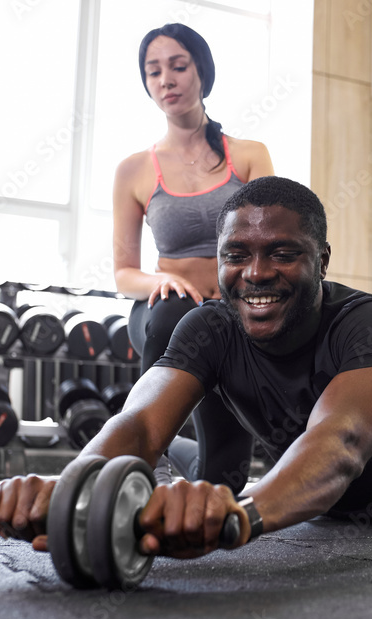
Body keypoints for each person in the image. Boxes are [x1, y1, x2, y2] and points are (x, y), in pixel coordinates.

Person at [0, 176, 372, 558]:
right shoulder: (210, 326)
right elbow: (140, 423)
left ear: (321, 260)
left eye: (282, 253)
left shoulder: (371, 322)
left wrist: (235, 517)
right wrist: (75, 488)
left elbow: (339, 444)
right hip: (309, 483)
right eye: (236, 256)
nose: (256, 273)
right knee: (185, 454)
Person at [113, 23, 273, 485]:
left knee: (225, 479)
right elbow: (123, 273)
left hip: (229, 322)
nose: (166, 79)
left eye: (178, 66)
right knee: (173, 311)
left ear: (201, 72)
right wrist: (158, 281)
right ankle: (146, 463)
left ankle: (179, 453)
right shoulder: (134, 171)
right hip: (159, 315)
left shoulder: (248, 157)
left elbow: (272, 240)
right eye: (154, 71)